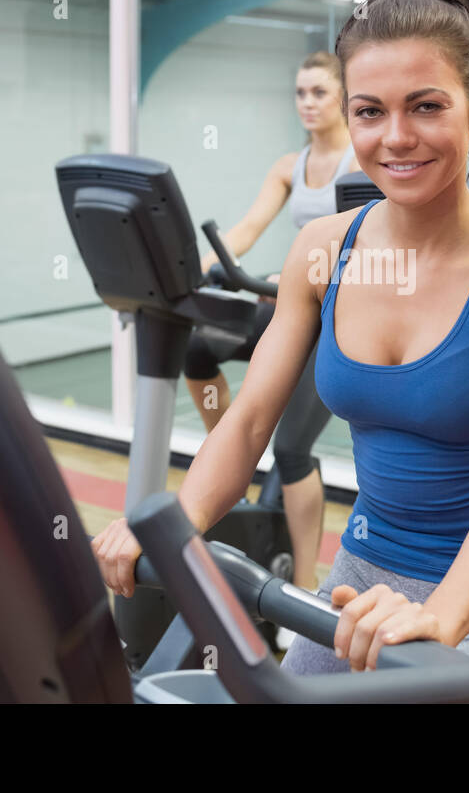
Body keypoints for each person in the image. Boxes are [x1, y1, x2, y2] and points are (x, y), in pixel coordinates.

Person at [94, 0, 469, 703]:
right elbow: (252, 417)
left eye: (426, 107)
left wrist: (439, 615)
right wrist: (171, 523)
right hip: (359, 584)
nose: (395, 137)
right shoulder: (324, 251)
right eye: (369, 111)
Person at [182, 53, 358, 637]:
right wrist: (203, 263)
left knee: (294, 451)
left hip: (340, 321)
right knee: (198, 349)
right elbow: (250, 227)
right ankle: (231, 453)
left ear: (342, 96)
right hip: (290, 308)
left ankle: (305, 589)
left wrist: (302, 273)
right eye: (300, 92)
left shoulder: (363, 161)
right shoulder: (291, 164)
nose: (308, 102)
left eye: (319, 92)